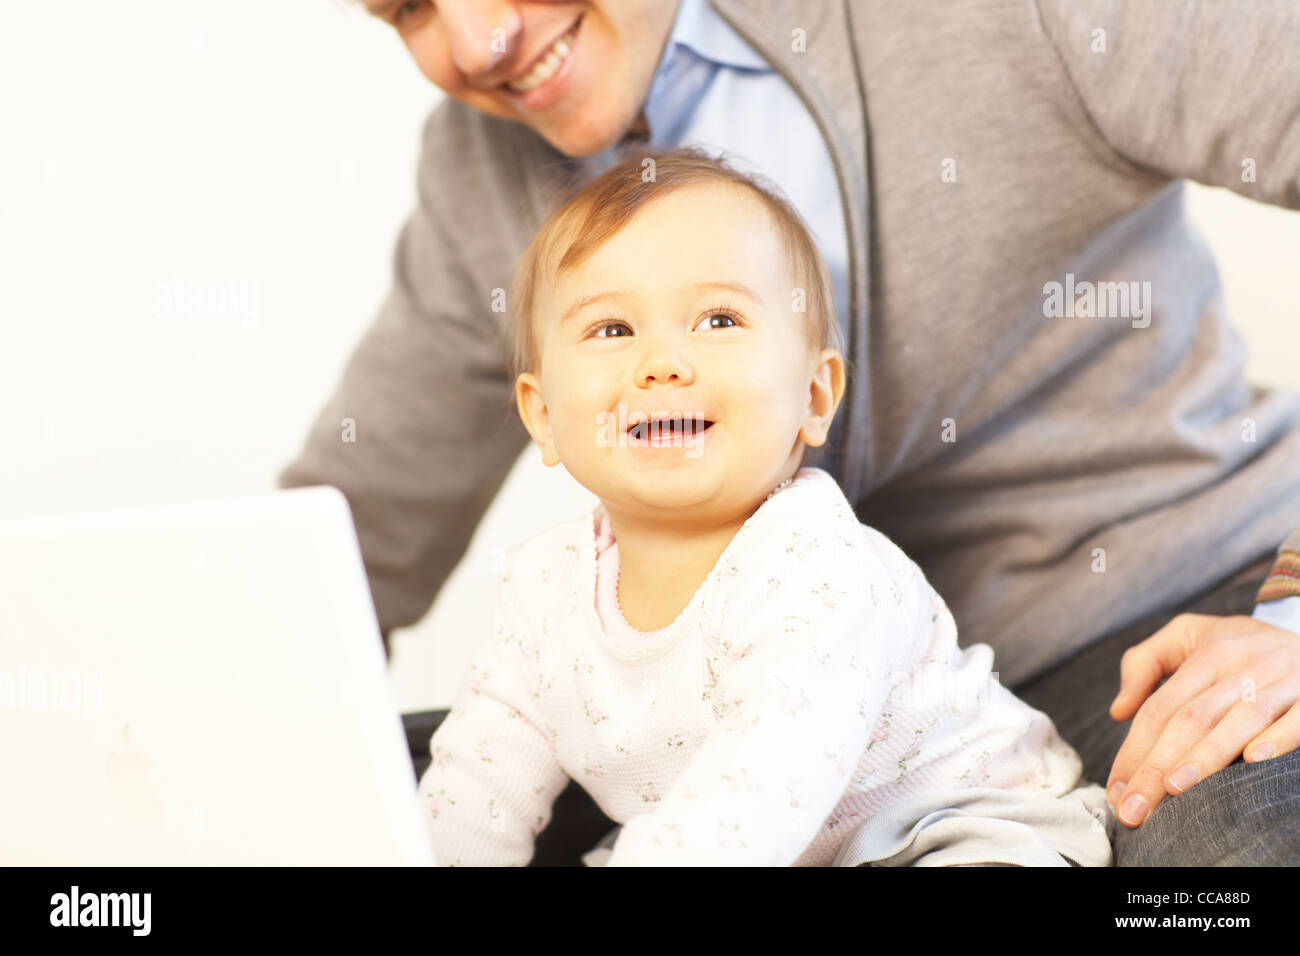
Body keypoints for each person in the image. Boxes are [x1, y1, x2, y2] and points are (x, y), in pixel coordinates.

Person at [279, 0, 1300, 864]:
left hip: (1186, 618)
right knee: (366, 803)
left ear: (818, 390)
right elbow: (344, 544)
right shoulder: (477, 171)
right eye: (407, 5)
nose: (479, 38)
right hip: (773, 721)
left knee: (1227, 861)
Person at [420, 146, 1115, 866]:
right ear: (542, 415)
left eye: (718, 320)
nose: (661, 362)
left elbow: (748, 800)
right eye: (613, 330)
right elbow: (475, 788)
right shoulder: (544, 591)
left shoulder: (816, 566)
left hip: (958, 829)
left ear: (813, 397)